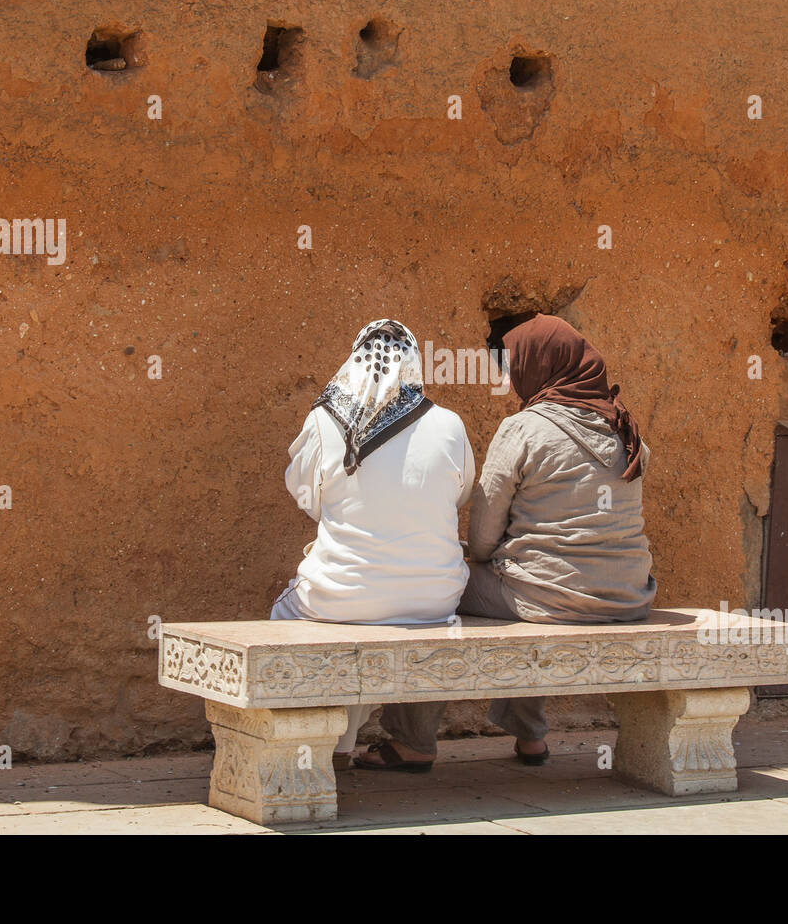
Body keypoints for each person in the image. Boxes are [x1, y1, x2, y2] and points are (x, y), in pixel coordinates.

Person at [359, 313, 655, 771]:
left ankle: (412, 741)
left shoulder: (523, 430)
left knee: (437, 592)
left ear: (539, 365)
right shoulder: (624, 430)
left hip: (553, 597)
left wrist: (481, 558)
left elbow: (481, 538)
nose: (512, 377)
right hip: (628, 596)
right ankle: (531, 738)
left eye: (515, 365)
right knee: (535, 582)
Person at [272, 319, 476, 769]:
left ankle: (332, 748)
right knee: (373, 617)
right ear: (412, 364)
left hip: (341, 598)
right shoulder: (448, 423)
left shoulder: (325, 420)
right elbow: (460, 494)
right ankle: (343, 747)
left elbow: (308, 499)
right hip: (435, 600)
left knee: (293, 615)